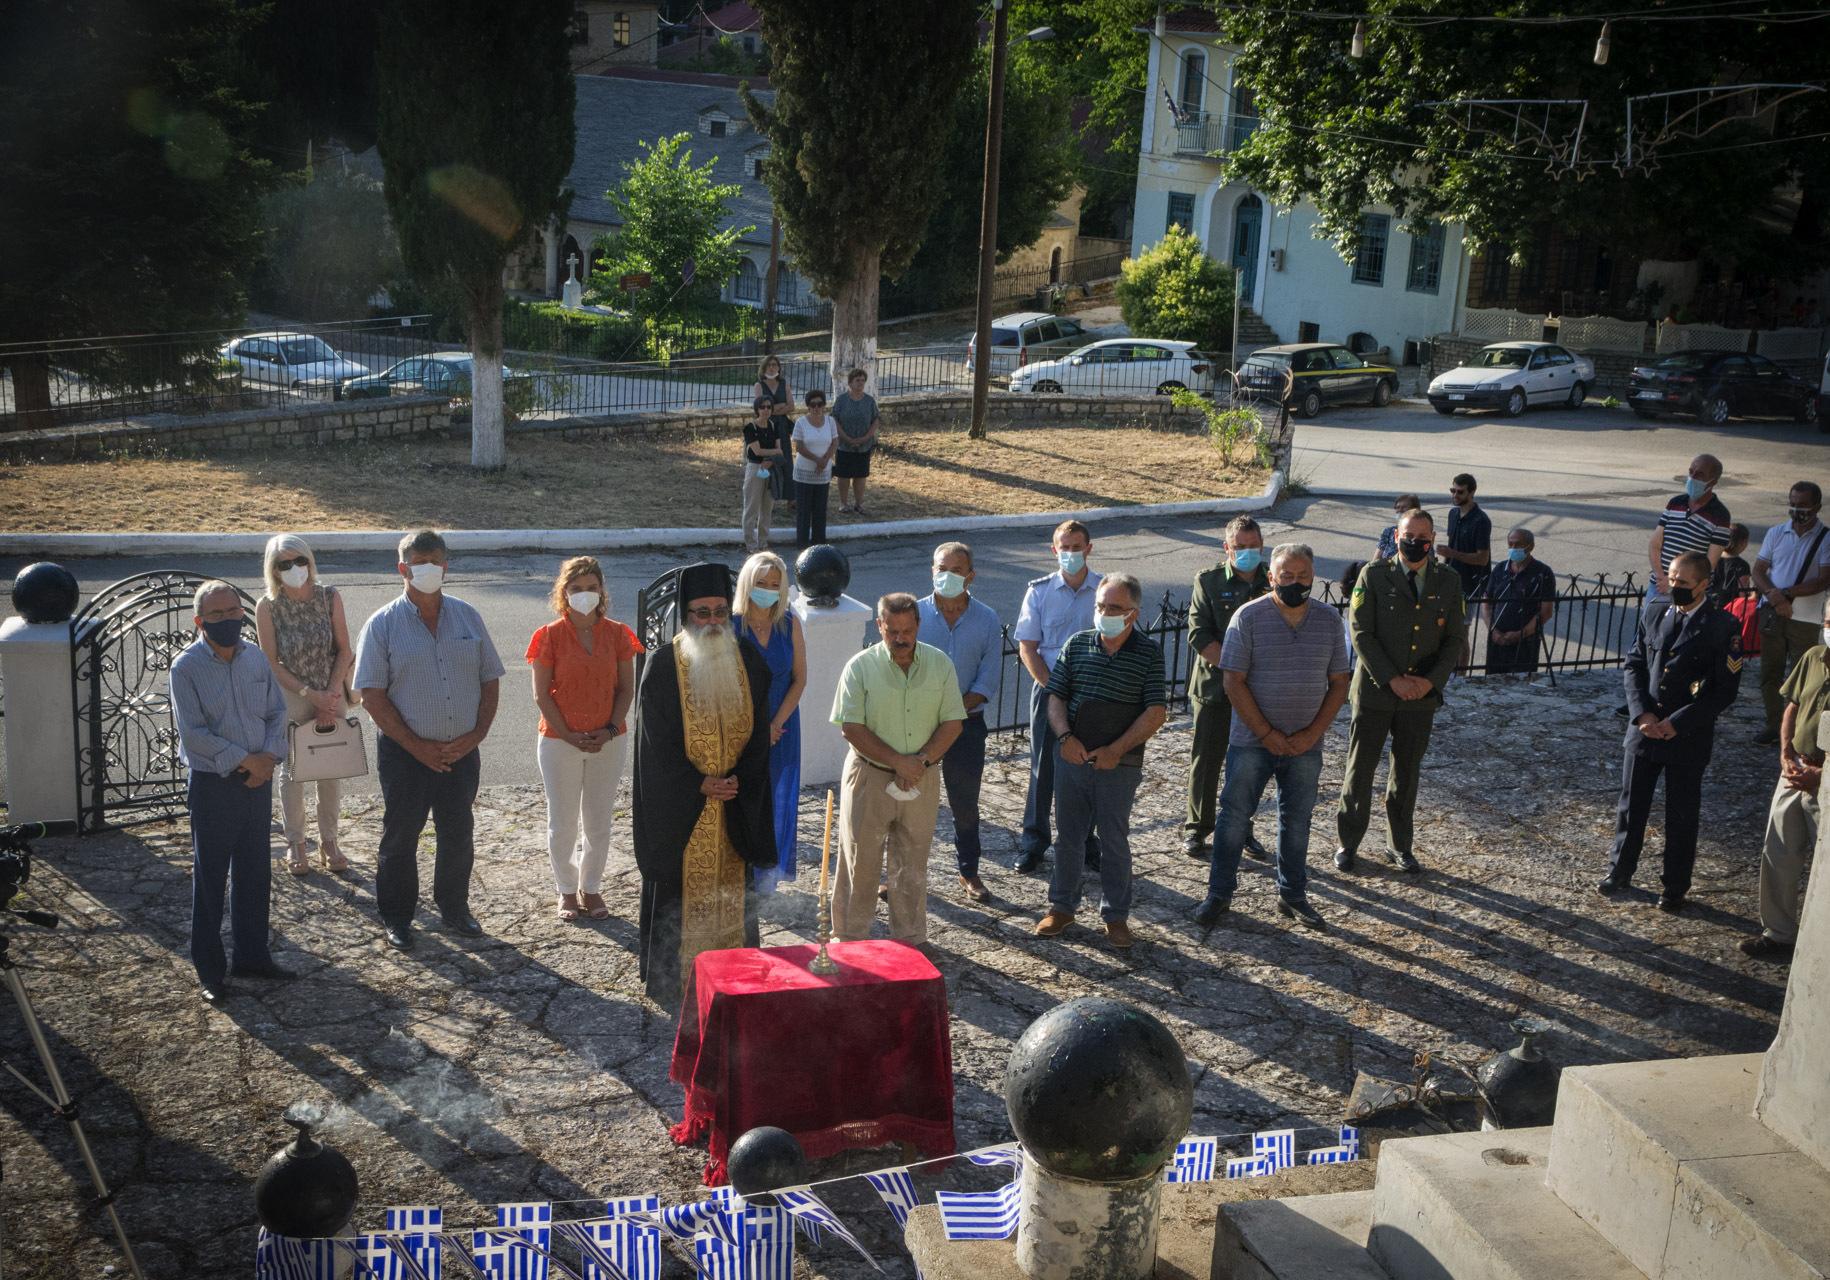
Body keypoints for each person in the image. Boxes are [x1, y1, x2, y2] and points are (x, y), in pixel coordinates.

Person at [630, 563, 776, 1007]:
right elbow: (654, 749)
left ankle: (735, 973)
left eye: (719, 612)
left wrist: (739, 781)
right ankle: (677, 982)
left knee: (735, 895)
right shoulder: (662, 667)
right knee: (678, 895)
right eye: (701, 613)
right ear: (685, 615)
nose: (712, 622)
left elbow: (759, 738)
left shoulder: (749, 661)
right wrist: (698, 784)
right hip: (683, 811)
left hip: (733, 803)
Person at [354, 530, 505, 950]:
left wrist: (477, 735)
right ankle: (398, 917)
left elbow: (489, 677)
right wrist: (415, 745)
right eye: (419, 563)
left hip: (461, 750)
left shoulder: (468, 615)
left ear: (446, 566)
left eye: (435, 562)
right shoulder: (382, 624)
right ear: (402, 569)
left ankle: (455, 909)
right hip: (406, 754)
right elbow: (372, 696)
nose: (429, 570)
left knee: (457, 831)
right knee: (401, 835)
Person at [1192, 544, 1350, 931]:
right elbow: (1233, 680)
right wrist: (1266, 733)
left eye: (1303, 577)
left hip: (1305, 746)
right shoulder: (1247, 618)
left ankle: (1292, 894)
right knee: (1233, 819)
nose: (1296, 583)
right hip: (1252, 743)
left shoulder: (1330, 621)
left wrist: (1313, 733)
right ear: (1271, 578)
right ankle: (1219, 894)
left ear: (1313, 577)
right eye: (1287, 577)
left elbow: (1339, 683)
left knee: (1296, 822)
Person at [1600, 551, 1743, 912]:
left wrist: (1676, 722)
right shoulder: (1654, 611)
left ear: (1704, 585)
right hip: (1645, 729)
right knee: (1631, 806)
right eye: (1672, 579)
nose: (1674, 587)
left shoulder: (1722, 627)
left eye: (1683, 583)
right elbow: (1634, 665)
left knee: (1681, 814)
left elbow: (1723, 691)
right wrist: (1642, 715)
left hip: (1687, 736)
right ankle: (1620, 870)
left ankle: (1675, 886)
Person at [170, 581, 292, 1002]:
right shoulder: (185, 668)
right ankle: (210, 972)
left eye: (233, 611)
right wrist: (247, 761)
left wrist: (269, 759)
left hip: (258, 782)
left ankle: (252, 956)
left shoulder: (255, 656)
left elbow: (277, 711)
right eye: (216, 615)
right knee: (210, 880)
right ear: (199, 621)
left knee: (255, 873)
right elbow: (194, 734)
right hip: (214, 784)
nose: (227, 620)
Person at [1033, 574, 1167, 949]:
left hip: (1118, 765)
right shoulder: (1077, 645)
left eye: (1114, 608)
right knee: (1068, 837)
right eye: (1100, 606)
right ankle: (1061, 907)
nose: (1104, 613)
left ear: (1133, 614)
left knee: (1114, 840)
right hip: (1073, 757)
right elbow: (1055, 697)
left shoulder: (1149, 653)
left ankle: (1116, 915)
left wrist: (1117, 751)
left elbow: (1156, 712)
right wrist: (1064, 737)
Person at [1334, 510, 1467, 874]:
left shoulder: (1449, 581)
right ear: (1397, 536)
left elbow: (1455, 636)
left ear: (1433, 537)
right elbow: (1361, 632)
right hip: (1377, 691)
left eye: (1422, 536)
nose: (1415, 542)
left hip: (1420, 697)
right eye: (1408, 535)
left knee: (1407, 773)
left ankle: (1400, 846)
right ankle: (1349, 843)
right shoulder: (1373, 575)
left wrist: (1429, 682)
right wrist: (1393, 679)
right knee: (1360, 770)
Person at [830, 593, 966, 947]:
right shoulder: (859, 667)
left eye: (907, 631)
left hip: (922, 775)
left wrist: (919, 762)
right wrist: (899, 762)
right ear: (880, 626)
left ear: (919, 625)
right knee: (859, 861)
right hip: (869, 775)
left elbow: (953, 722)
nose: (900, 639)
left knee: (912, 861)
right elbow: (851, 728)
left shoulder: (940, 664)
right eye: (892, 631)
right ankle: (849, 939)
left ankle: (909, 942)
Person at [527, 556, 643, 922]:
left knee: (598, 820)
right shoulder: (548, 635)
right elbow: (542, 695)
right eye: (576, 589)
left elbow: (627, 687)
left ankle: (590, 887)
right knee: (562, 821)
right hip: (560, 741)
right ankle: (566, 889)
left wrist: (609, 729)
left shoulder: (619, 633)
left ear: (602, 591)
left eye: (592, 588)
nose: (585, 594)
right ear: (563, 593)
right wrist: (570, 736)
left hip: (608, 739)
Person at [254, 534, 355, 876]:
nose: (295, 569)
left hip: (332, 691)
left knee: (330, 766)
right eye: (285, 564)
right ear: (274, 570)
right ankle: (296, 841)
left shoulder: (330, 597)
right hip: (292, 695)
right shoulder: (266, 606)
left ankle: (329, 840)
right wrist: (310, 696)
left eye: (300, 561)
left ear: (310, 562)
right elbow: (271, 662)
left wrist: (328, 696)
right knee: (293, 771)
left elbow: (344, 649)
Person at [1013, 521, 1104, 874]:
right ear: (1054, 550)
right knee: (1042, 769)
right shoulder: (1039, 592)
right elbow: (1028, 648)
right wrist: (1054, 691)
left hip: (1093, 694)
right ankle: (1034, 843)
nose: (1070, 553)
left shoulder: (1104, 589)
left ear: (1089, 548)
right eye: (1063, 547)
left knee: (1089, 768)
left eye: (1076, 546)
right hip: (1049, 688)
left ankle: (1086, 841)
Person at [1743, 596, 1830, 961]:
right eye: (1829, 621)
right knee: (1778, 853)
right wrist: (1784, 755)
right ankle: (1778, 932)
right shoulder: (1812, 658)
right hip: (1794, 771)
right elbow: (1791, 707)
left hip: (1823, 779)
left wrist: (1822, 776)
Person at [918, 541, 1004, 902]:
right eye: (942, 568)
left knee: (964, 805)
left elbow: (987, 679)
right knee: (906, 802)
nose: (947, 576)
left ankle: (968, 872)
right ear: (931, 571)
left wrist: (952, 713)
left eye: (956, 570)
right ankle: (897, 875)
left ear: (971, 576)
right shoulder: (915, 615)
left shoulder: (987, 619)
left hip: (966, 725)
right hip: (917, 723)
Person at [1183, 516, 1270, 862]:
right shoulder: (1209, 581)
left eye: (1253, 546)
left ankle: (1241, 826)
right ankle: (1197, 828)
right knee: (1207, 759)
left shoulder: (1273, 580)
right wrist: (1235, 667)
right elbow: (1199, 634)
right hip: (1215, 687)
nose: (1247, 552)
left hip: (1256, 690)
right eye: (1239, 547)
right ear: (1227, 547)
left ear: (1261, 545)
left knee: (1248, 762)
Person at [733, 552, 806, 895]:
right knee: (745, 798)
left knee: (777, 796)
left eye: (774, 584)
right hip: (741, 727)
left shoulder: (790, 623)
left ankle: (766, 877)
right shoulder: (730, 626)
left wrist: (775, 724)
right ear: (747, 584)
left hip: (783, 725)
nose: (767, 589)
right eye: (761, 583)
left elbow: (799, 679)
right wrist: (755, 728)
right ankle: (740, 870)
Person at [1752, 482, 1830, 746]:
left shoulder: (1826, 538)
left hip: (1805, 620)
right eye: (1793, 504)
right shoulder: (1776, 533)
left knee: (1803, 679)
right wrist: (1776, 597)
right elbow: (1759, 570)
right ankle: (1773, 725)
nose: (1796, 510)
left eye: (1802, 506)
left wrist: (1783, 593)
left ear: (1817, 507)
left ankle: (1797, 729)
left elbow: (1822, 580)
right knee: (1770, 673)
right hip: (1774, 614)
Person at [1648, 454, 1731, 607]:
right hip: (1658, 587)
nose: (1692, 477)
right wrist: (1661, 577)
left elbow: (1709, 563)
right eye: (1691, 471)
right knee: (1648, 629)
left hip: (1688, 593)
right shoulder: (1675, 503)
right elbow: (1655, 544)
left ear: (1712, 482)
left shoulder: (1720, 515)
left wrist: (1673, 582)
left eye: (1699, 474)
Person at [1481, 528, 1557, 674]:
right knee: (1493, 685)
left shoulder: (1542, 573)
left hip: (1525, 644)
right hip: (1496, 642)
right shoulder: (1500, 569)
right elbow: (1486, 603)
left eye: (1518, 544)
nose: (1514, 548)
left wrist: (1521, 634)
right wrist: (1493, 630)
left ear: (1530, 546)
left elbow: (1545, 612)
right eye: (1511, 544)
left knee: (1521, 685)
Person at [791, 389, 837, 548]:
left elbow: (834, 443)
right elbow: (799, 447)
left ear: (824, 405)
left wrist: (824, 460)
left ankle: (819, 544)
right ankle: (803, 544)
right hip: (804, 472)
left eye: (819, 404)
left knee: (820, 509)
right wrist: (817, 460)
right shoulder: (800, 423)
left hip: (823, 472)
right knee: (804, 510)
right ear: (808, 406)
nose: (816, 407)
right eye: (812, 404)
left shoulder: (830, 422)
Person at [832, 368, 881, 516]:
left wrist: (866, 438)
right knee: (844, 474)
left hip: (863, 445)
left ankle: (858, 503)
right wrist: (845, 438)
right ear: (850, 383)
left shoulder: (869, 401)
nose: (860, 383)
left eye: (862, 380)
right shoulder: (841, 400)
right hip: (844, 444)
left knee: (860, 475)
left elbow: (875, 421)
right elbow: (834, 419)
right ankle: (843, 503)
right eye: (857, 380)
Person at [1439, 473, 1491, 609]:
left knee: (1462, 625)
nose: (1455, 495)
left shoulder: (1481, 521)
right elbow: (1451, 546)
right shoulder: (1453, 514)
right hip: (1451, 579)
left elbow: (1482, 558)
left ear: (1471, 493)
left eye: (1460, 492)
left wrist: (1453, 554)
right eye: (1453, 491)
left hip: (1469, 583)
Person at [741, 395, 784, 554]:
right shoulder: (750, 428)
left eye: (768, 407)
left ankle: (763, 542)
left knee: (767, 507)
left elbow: (780, 450)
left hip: (770, 468)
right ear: (757, 409)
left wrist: (771, 460)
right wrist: (774, 453)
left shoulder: (774, 426)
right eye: (762, 407)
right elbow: (757, 450)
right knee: (752, 506)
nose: (766, 410)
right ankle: (751, 544)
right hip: (755, 468)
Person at [754, 355, 796, 505]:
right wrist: (780, 406)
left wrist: (771, 408)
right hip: (766, 427)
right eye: (768, 365)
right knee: (766, 460)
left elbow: (791, 406)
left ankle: (791, 497)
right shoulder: (759, 385)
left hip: (782, 427)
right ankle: (766, 496)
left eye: (774, 365)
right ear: (764, 368)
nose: (771, 367)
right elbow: (760, 409)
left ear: (779, 367)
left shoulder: (784, 383)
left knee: (785, 460)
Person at [1708, 524, 1755, 607]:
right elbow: (1742, 594)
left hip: (1711, 603)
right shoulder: (1742, 565)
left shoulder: (1714, 558)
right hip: (1731, 607)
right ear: (1743, 542)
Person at [1377, 494, 1422, 561]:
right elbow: (1377, 557)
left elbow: (1430, 561)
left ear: (1415, 510)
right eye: (1397, 507)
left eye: (1404, 507)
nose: (1400, 510)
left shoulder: (1422, 532)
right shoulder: (1388, 531)